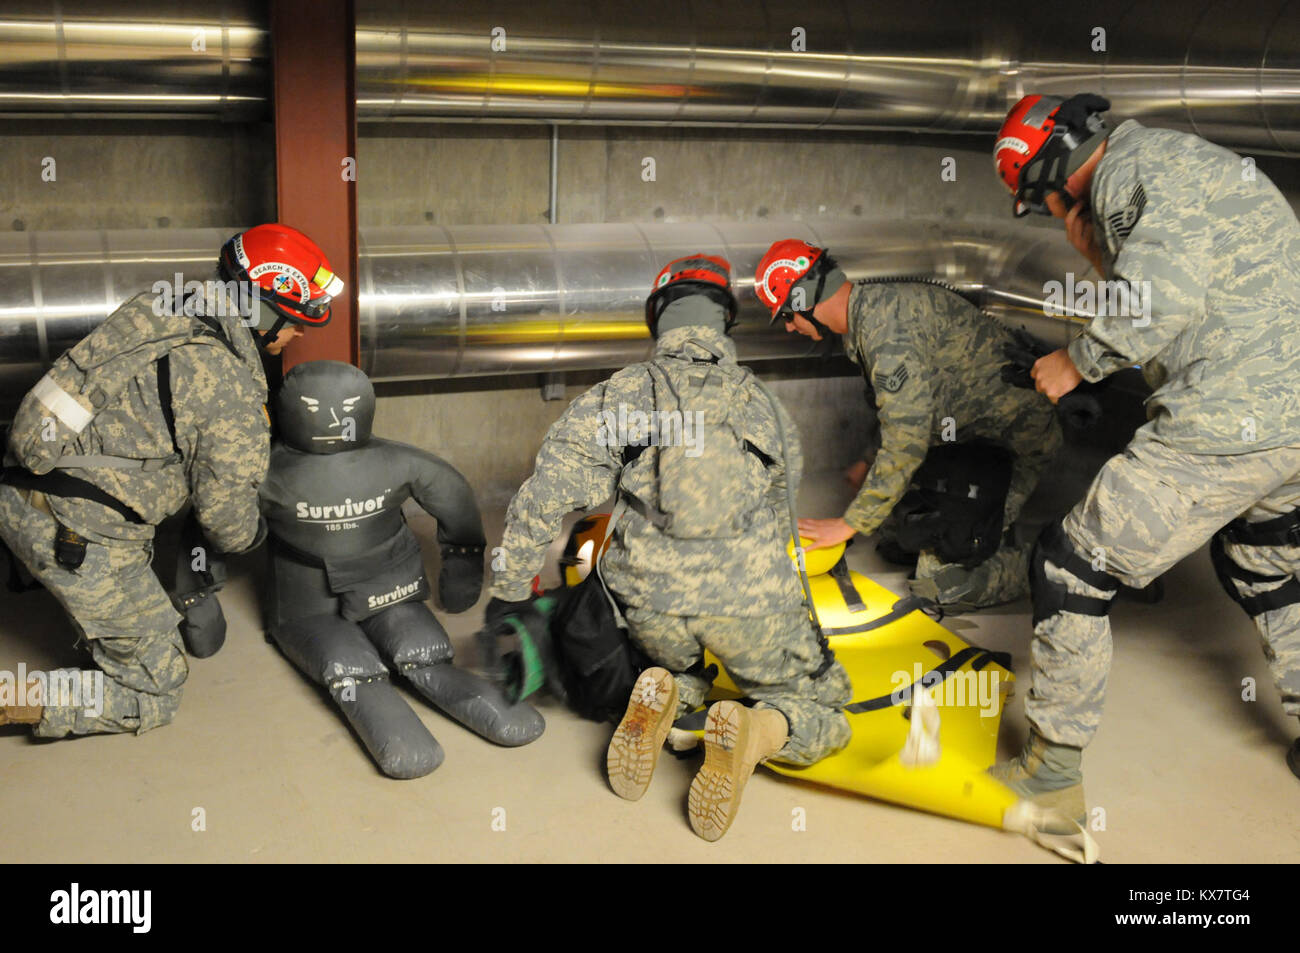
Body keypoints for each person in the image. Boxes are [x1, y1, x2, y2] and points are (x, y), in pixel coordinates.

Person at [990, 92, 1300, 813]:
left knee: (1069, 565)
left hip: (1229, 425)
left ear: (1058, 173)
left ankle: (1052, 773)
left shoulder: (1130, 173)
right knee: (1271, 572)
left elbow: (1163, 300)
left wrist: (1078, 361)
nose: (1059, 216)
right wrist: (1095, 251)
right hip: (1290, 424)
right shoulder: (1181, 163)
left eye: (1047, 202)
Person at [484, 254, 852, 840]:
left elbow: (543, 496)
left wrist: (509, 590)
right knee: (824, 706)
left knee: (675, 656)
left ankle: (667, 692)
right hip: (747, 603)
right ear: (723, 323)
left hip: (648, 604)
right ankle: (758, 731)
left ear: (660, 320)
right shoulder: (767, 407)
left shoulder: (619, 394)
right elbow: (783, 520)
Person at [0, 224, 337, 736]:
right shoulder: (226, 387)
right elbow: (227, 521)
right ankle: (12, 698)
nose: (300, 334)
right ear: (260, 309)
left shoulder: (161, 306)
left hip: (25, 488)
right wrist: (257, 536)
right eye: (293, 320)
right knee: (154, 689)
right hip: (74, 533)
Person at [258, 360, 544, 779]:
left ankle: (458, 696)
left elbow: (452, 498)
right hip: (308, 594)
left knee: (420, 649)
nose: (335, 420)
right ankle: (389, 714)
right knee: (347, 663)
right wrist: (198, 588)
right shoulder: (268, 470)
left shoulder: (274, 470)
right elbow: (217, 521)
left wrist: (463, 559)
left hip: (385, 578)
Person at [755, 240, 1062, 612]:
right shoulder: (871, 315)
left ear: (806, 299)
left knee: (940, 584)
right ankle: (986, 528)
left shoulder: (886, 332)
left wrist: (848, 523)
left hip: (1011, 444)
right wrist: (870, 461)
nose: (790, 328)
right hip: (964, 438)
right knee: (896, 538)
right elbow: (903, 411)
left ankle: (1053, 563)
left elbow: (908, 439)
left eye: (788, 315)